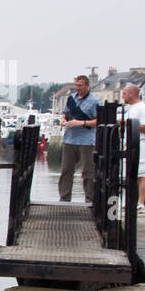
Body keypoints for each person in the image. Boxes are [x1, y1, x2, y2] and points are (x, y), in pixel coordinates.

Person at [58, 74, 100, 203]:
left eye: (80, 86)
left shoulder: (94, 101)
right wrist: (63, 119)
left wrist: (81, 123)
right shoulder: (71, 99)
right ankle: (64, 198)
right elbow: (64, 112)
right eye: (76, 85)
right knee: (66, 170)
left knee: (88, 171)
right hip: (69, 139)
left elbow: (99, 121)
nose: (77, 88)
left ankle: (90, 199)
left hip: (86, 141)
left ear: (87, 86)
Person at [122, 84, 145, 213]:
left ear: (131, 94)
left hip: (140, 142)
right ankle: (127, 201)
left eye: (124, 93)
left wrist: (127, 124)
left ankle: (141, 203)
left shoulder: (142, 108)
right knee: (126, 173)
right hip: (128, 143)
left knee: (141, 173)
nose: (122, 96)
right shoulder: (130, 108)